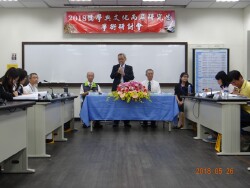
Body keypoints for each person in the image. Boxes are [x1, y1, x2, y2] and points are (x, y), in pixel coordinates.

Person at [203, 71, 234, 143]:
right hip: (224, 107)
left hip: (229, 108)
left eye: (218, 80)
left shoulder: (231, 86)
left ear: (222, 79)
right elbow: (222, 94)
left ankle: (216, 136)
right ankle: (215, 135)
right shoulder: (224, 86)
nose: (217, 82)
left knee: (217, 117)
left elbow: (232, 96)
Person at [110, 53, 134, 128]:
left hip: (126, 89)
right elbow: (111, 76)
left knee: (126, 106)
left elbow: (132, 77)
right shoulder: (115, 67)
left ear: (125, 59)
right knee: (116, 106)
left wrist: (123, 74)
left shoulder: (129, 67)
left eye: (121, 59)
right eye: (119, 59)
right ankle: (115, 122)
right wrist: (117, 72)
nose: (120, 60)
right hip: (116, 88)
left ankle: (126, 122)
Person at [228, 70, 250, 151]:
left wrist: (242, 96)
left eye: (234, 82)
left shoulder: (248, 86)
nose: (234, 85)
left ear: (241, 77)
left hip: (248, 113)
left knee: (231, 117)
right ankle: (244, 138)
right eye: (232, 83)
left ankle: (246, 138)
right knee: (230, 118)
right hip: (244, 112)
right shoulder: (239, 87)